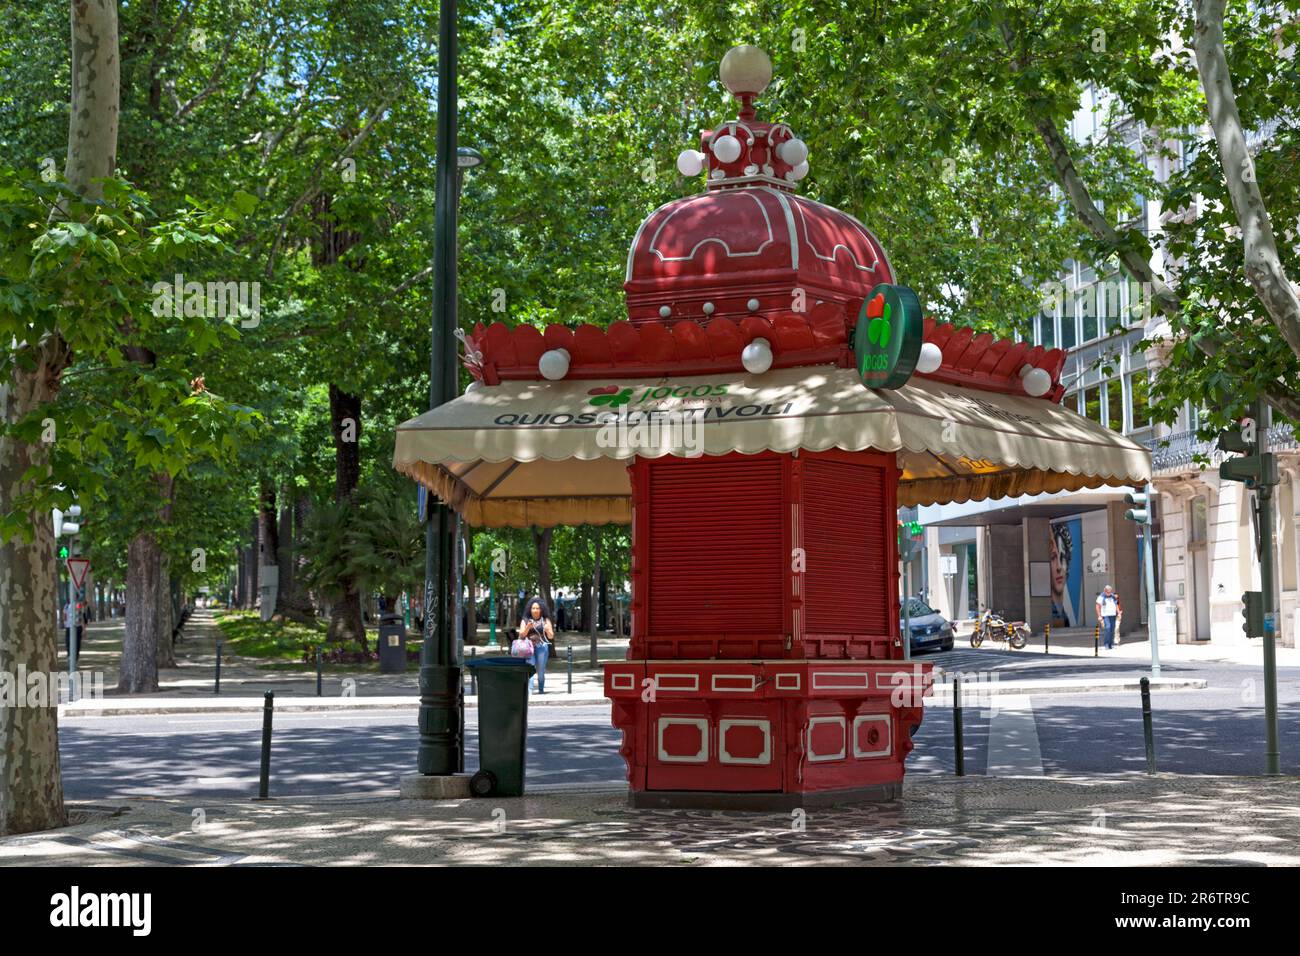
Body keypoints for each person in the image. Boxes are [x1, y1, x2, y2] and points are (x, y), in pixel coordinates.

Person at [519, 597, 554, 693]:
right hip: (528, 648)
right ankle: (530, 691)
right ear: (530, 609)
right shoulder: (525, 620)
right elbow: (521, 635)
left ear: (541, 609)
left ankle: (541, 689)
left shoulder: (545, 620)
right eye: (533, 608)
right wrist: (527, 628)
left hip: (542, 647)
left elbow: (551, 636)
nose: (535, 610)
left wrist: (547, 630)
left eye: (537, 608)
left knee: (541, 671)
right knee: (530, 668)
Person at [1049, 523, 1076, 627]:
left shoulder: (1064, 614)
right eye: (1053, 558)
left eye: (1062, 557)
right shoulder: (1050, 609)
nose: (1059, 567)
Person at [1096, 584, 1122, 649]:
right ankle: (1106, 644)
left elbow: (1116, 605)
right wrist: (1099, 616)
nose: (1109, 593)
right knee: (1108, 628)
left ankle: (1111, 644)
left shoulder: (1113, 596)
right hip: (1105, 615)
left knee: (1112, 629)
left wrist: (1118, 613)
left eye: (1110, 591)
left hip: (1113, 615)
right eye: (1108, 592)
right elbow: (1097, 606)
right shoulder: (1101, 597)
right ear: (1105, 591)